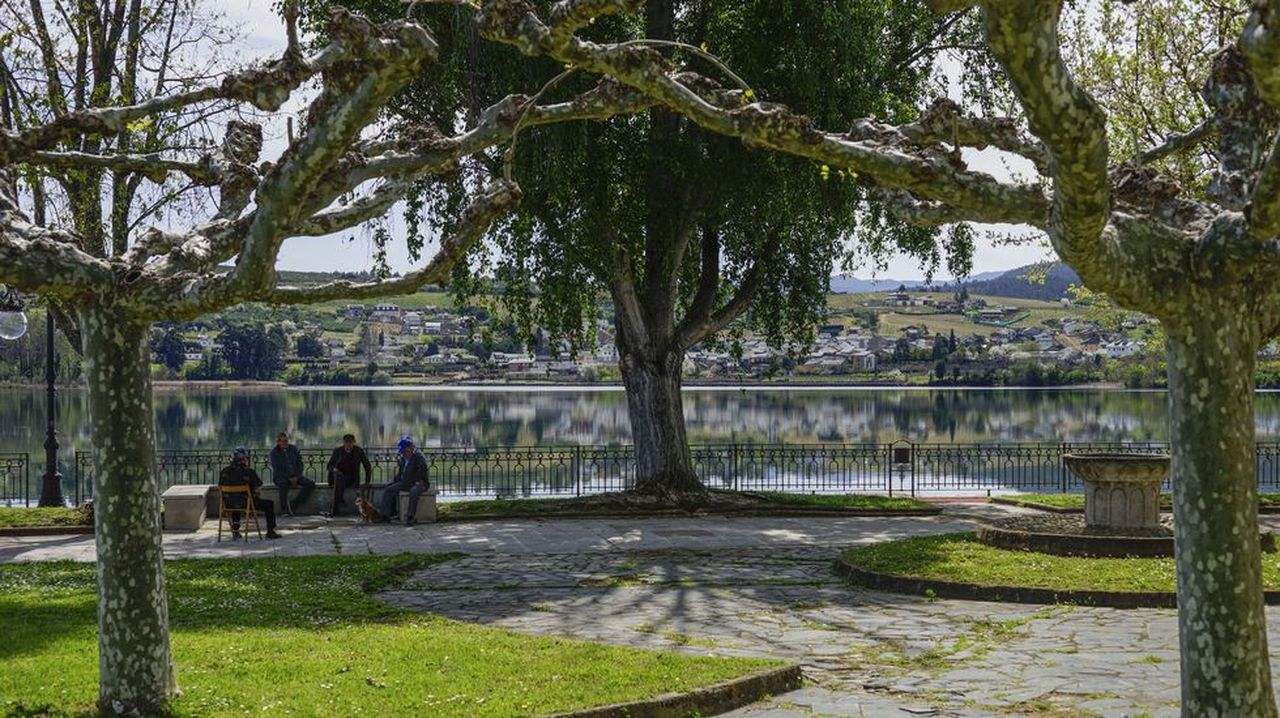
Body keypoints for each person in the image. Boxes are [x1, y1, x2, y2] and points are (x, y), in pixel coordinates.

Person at [219, 447, 281, 539]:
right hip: (247, 503)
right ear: (244, 459)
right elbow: (258, 485)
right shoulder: (248, 472)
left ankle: (235, 531)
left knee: (236, 501)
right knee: (269, 504)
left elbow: (220, 485)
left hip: (228, 504)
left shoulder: (224, 471)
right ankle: (270, 531)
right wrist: (255, 493)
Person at [376, 436, 430, 526]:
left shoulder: (418, 456)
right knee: (388, 489)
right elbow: (401, 472)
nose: (403, 454)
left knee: (414, 492)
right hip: (406, 482)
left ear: (410, 448)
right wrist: (396, 480)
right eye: (402, 452)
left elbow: (422, 470)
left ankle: (410, 517)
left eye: (405, 451)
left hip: (419, 482)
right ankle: (386, 515)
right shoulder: (403, 457)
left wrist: (417, 481)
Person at [269, 432, 315, 516]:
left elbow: (300, 464)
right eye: (283, 441)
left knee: (310, 483)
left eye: (286, 441)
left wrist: (297, 476)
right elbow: (277, 469)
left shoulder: (293, 449)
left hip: (295, 476)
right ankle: (284, 510)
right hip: (281, 476)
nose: (285, 443)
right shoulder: (274, 453)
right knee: (283, 485)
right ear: (278, 442)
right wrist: (289, 478)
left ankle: (295, 503)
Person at [326, 433, 372, 516]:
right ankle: (339, 503)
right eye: (346, 443)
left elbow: (367, 466)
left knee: (341, 480)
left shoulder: (358, 451)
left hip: (351, 478)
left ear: (354, 442)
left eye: (350, 443)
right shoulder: (338, 451)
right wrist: (334, 469)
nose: (348, 445)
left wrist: (367, 481)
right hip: (337, 477)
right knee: (340, 479)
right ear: (343, 443)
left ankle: (336, 507)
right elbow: (329, 466)